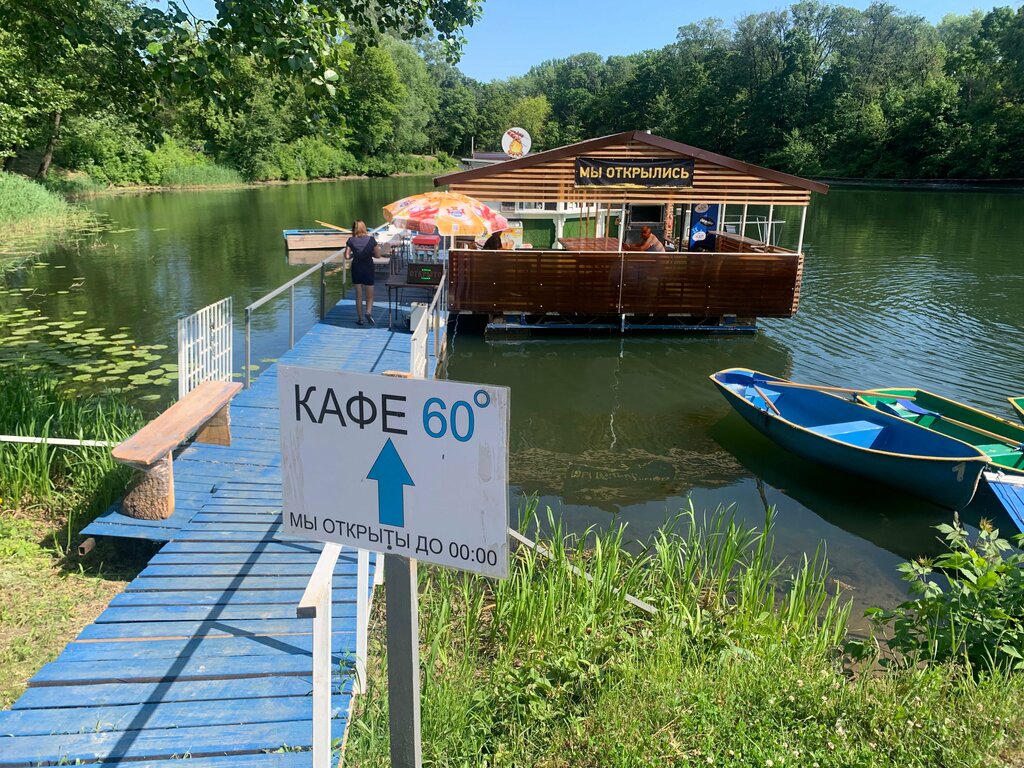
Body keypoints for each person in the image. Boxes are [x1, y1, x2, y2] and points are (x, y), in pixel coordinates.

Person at [344, 220, 380, 325]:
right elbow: (378, 255)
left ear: (354, 228)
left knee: (358, 296)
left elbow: (346, 256)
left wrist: (353, 255)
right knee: (370, 295)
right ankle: (368, 312)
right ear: (364, 227)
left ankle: (360, 319)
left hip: (357, 268)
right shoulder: (371, 240)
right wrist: (370, 254)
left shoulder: (350, 240)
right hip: (368, 267)